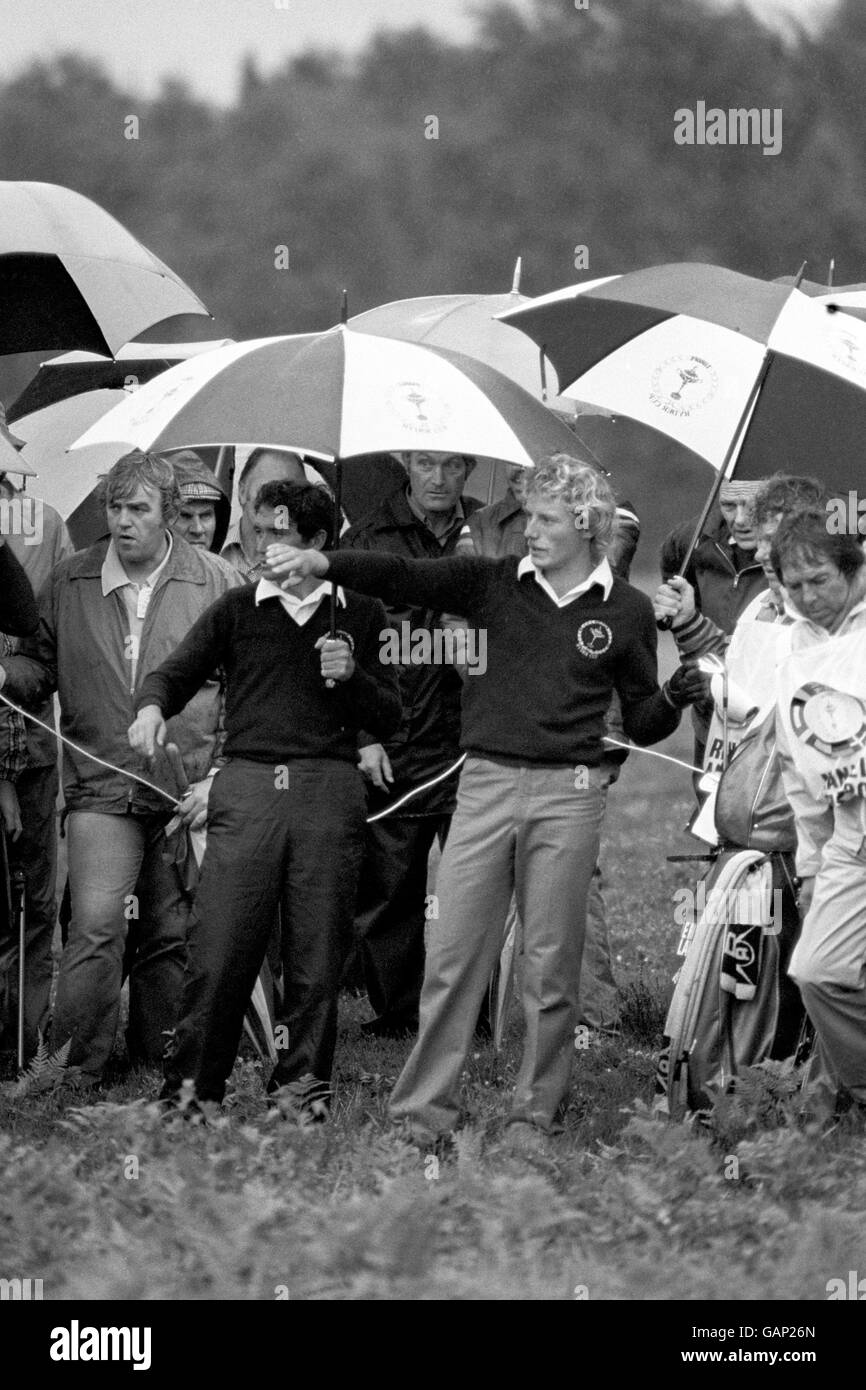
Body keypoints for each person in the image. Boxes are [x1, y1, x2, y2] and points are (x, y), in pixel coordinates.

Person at [266, 455, 707, 1149]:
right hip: (485, 784)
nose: (530, 530)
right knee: (453, 957)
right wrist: (326, 567)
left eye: (548, 519)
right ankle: (421, 1114)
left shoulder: (624, 610)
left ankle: (534, 1114)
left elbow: (644, 720)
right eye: (528, 515)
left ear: (587, 526)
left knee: (549, 966)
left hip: (571, 794)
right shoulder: (492, 582)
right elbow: (402, 576)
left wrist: (682, 686)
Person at [129, 480, 401, 1112]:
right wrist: (150, 709)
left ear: (317, 544)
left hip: (328, 790)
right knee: (220, 946)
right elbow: (174, 673)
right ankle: (192, 1094)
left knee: (315, 955)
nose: (264, 544)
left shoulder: (358, 611)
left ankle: (300, 1094)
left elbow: (390, 717)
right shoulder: (237, 607)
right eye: (259, 531)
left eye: (280, 535)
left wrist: (351, 677)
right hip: (247, 786)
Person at [2, 450, 242, 1087]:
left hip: (184, 784)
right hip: (99, 786)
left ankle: (158, 1058)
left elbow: (247, 690)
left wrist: (219, 777)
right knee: (99, 922)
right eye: (115, 507)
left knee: (169, 931)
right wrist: (4, 674)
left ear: (167, 515)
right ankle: (73, 1067)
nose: (124, 520)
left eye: (139, 508)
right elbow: (36, 667)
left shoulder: (216, 582)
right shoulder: (71, 579)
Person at [457, 460, 643, 1035]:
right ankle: (491, 1016)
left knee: (569, 886)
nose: (521, 482)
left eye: (544, 509)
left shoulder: (604, 505)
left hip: (583, 733)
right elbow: (463, 595)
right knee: (476, 892)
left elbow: (600, 577)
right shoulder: (483, 524)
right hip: (503, 721)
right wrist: (462, 639)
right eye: (519, 481)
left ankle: (591, 1017)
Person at [343, 451, 483, 1038]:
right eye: (426, 464)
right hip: (393, 737)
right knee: (389, 889)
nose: (437, 478)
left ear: (469, 470)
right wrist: (365, 735)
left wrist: (470, 638)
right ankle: (399, 1014)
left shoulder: (490, 533)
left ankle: (467, 1013)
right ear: (406, 464)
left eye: (452, 466)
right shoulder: (368, 536)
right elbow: (340, 637)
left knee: (473, 888)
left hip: (473, 737)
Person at [770, 509, 866, 1114]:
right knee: (816, 971)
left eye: (821, 580)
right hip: (849, 836)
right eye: (795, 585)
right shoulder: (794, 650)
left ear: (853, 568)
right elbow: (796, 766)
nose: (808, 598)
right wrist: (811, 862)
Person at [0, 399, 70, 1060]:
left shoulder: (42, 524)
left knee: (38, 905)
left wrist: (6, 670)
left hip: (34, 747)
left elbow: (53, 647)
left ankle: (23, 1047)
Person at [221, 448, 307, 580]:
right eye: (265, 490)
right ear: (242, 492)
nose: (276, 499)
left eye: (290, 491)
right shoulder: (209, 544)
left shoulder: (308, 564)